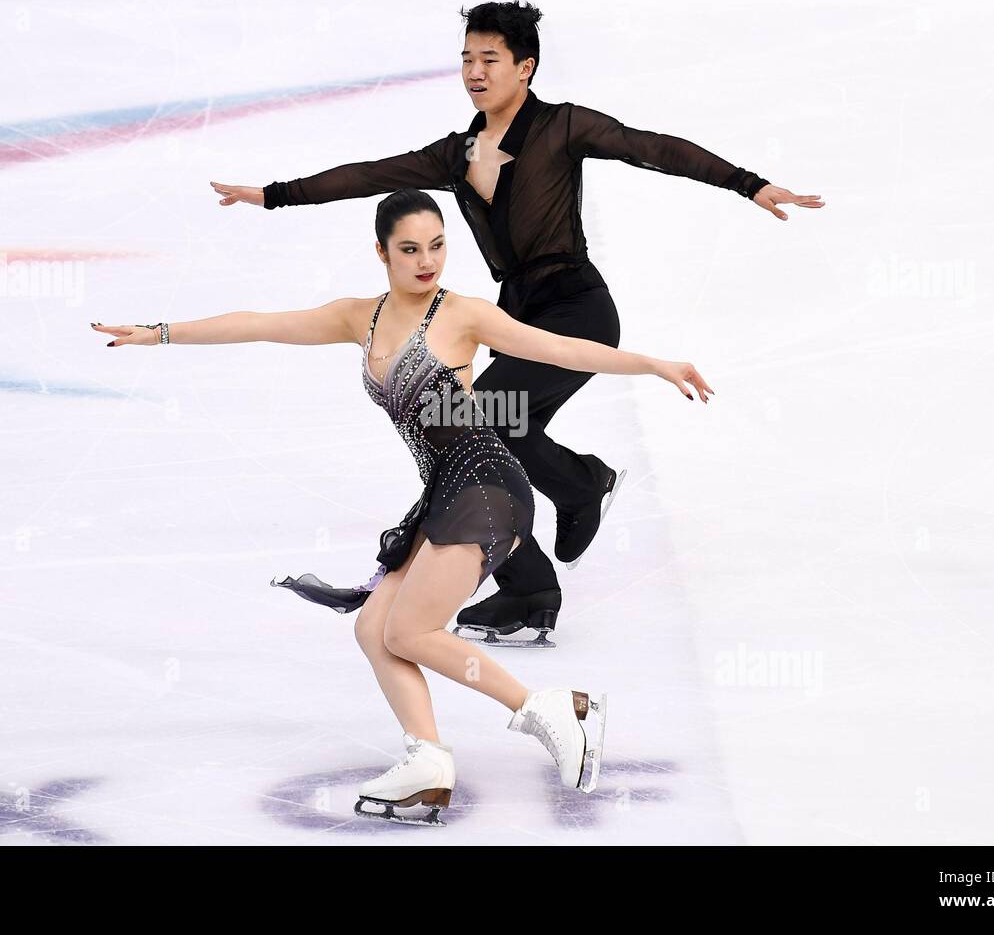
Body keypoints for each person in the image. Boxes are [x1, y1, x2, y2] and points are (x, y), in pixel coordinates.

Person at [90, 189, 715, 825]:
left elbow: (565, 350)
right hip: (444, 489)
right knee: (375, 631)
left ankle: (557, 710)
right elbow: (261, 323)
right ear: (382, 251)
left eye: (437, 246)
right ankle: (428, 762)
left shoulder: (464, 314)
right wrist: (160, 334)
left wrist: (654, 365)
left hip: (486, 486)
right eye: (410, 249)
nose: (426, 262)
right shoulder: (357, 318)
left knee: (412, 632)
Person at [209, 0, 823, 645]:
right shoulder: (457, 154)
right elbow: (370, 176)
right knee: (472, 434)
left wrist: (749, 184)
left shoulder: (562, 128)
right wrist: (276, 194)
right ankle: (535, 577)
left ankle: (577, 495)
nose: (475, 71)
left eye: (490, 59)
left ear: (525, 67)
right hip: (520, 311)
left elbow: (654, 148)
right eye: (467, 58)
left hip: (578, 305)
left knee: (487, 423)